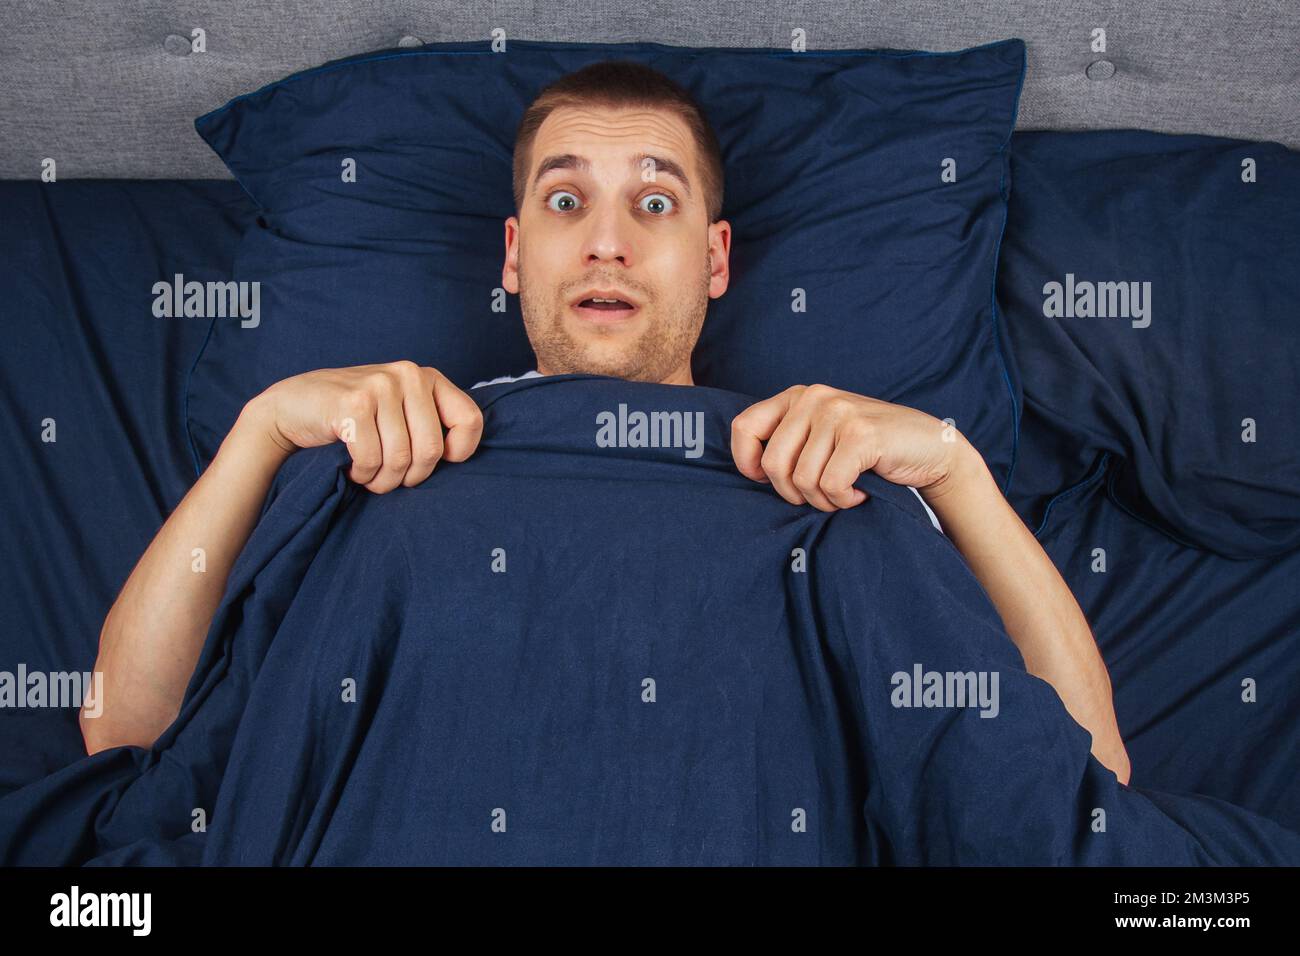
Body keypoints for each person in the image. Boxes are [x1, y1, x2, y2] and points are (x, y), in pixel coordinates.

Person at [83, 61, 1130, 786]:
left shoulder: (830, 465)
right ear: (511, 253)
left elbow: (1088, 777)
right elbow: (127, 730)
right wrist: (262, 428)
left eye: (657, 203)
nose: (607, 245)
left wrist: (953, 470)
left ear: (715, 260)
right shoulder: (386, 442)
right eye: (566, 201)